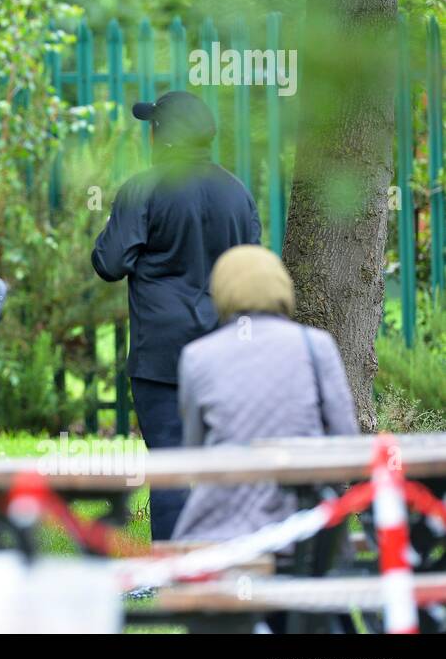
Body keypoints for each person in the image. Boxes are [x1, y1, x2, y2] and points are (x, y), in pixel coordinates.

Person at [91, 90, 260, 541]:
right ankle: (225, 559)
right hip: (226, 349)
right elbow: (253, 270)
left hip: (162, 353)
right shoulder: (237, 192)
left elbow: (109, 263)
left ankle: (168, 573)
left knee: (168, 463)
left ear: (162, 135)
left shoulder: (143, 188)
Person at [173, 245, 359, 541]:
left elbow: (195, 454)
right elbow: (347, 439)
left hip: (220, 534)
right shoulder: (316, 345)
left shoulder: (197, 356)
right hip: (305, 529)